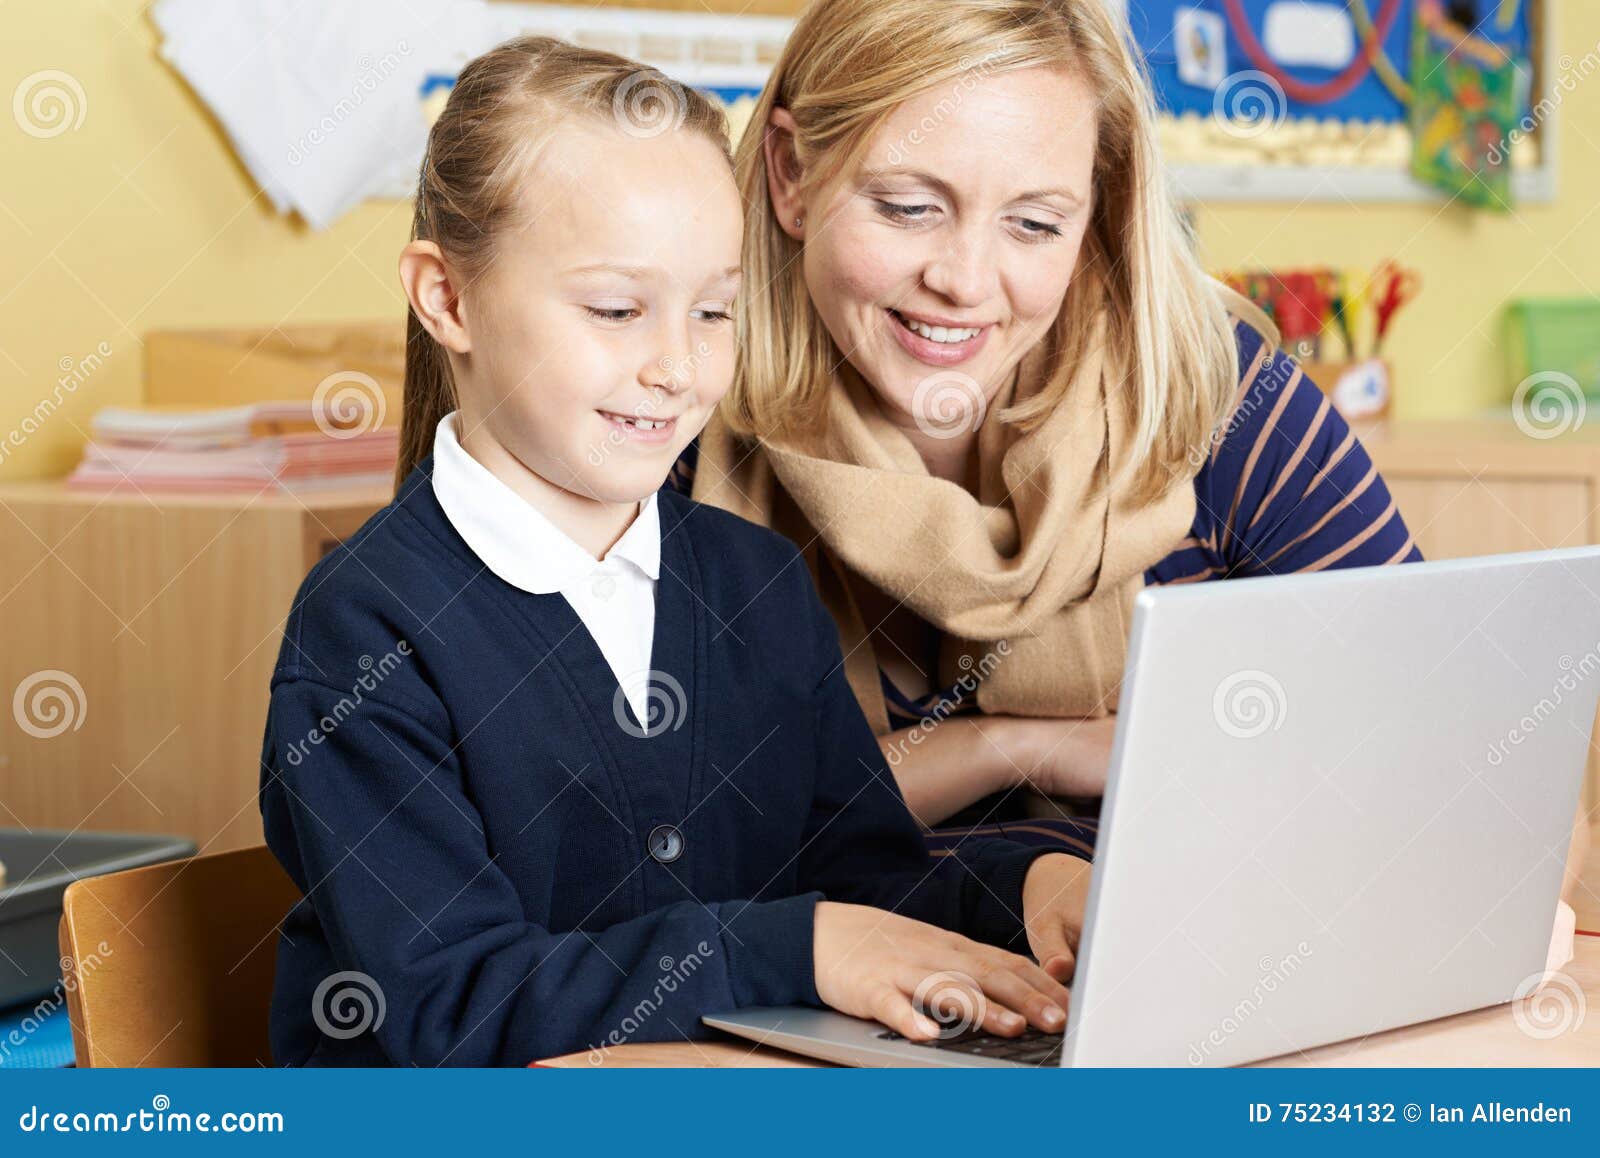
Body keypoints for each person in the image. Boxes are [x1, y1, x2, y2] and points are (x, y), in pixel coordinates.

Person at [258, 35, 1093, 1068]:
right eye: (617, 309)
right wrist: (788, 950)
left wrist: (1024, 889)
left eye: (713, 312)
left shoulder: (756, 582)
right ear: (447, 299)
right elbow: (447, 1005)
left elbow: (860, 887)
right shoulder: (364, 628)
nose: (676, 367)